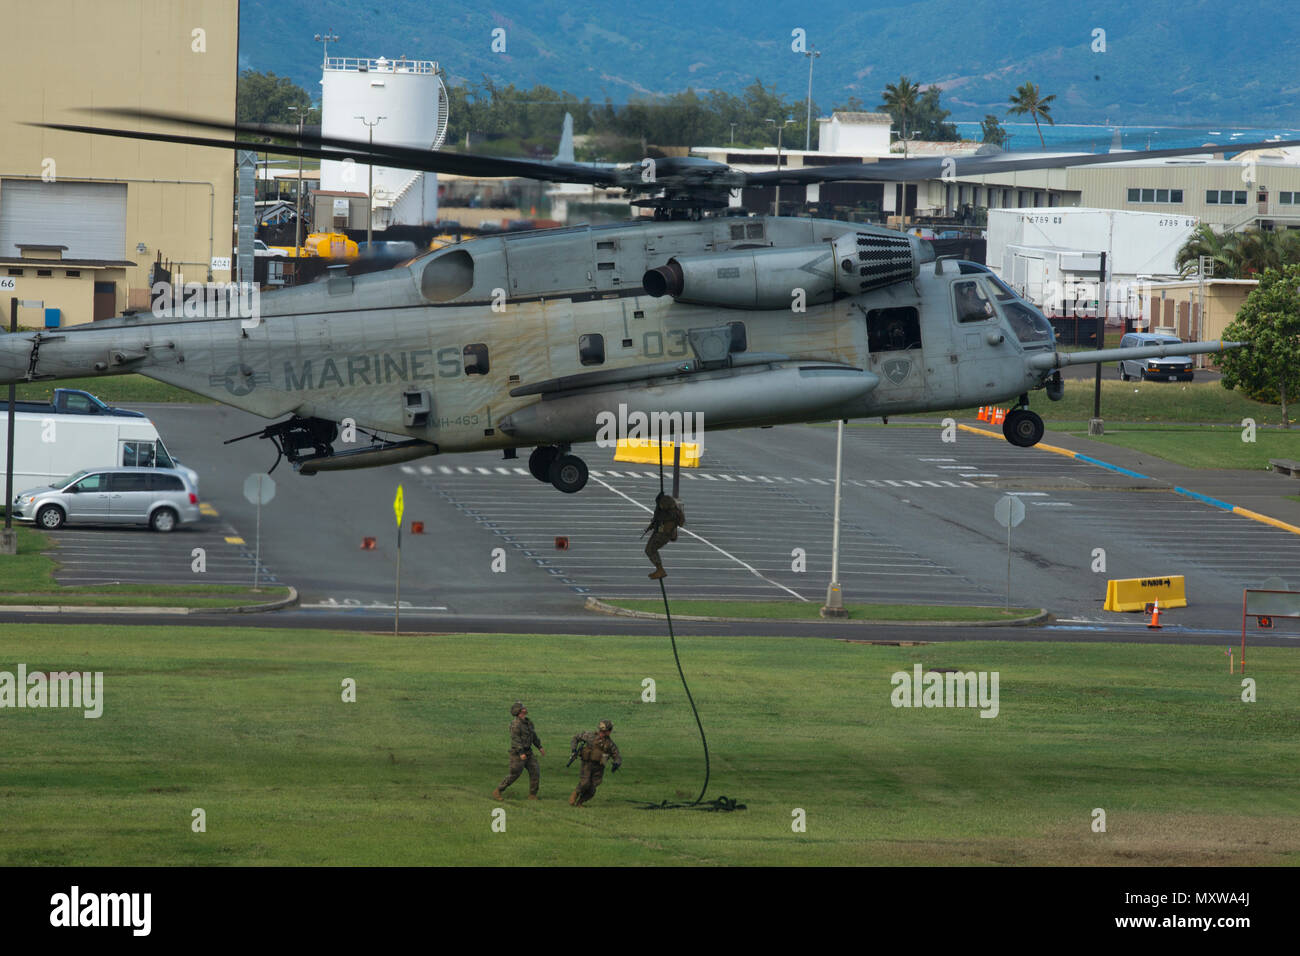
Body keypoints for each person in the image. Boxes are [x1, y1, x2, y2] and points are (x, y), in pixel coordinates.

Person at [493, 701, 545, 800]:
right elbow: (516, 739)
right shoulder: (515, 724)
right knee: (514, 774)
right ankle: (498, 791)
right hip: (517, 753)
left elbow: (533, 736)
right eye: (523, 708)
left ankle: (532, 795)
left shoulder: (528, 722)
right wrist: (521, 753)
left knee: (535, 771)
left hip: (528, 752)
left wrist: (540, 747)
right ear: (519, 711)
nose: (525, 708)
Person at [569, 719, 621, 807]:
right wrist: (574, 750)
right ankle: (576, 793)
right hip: (587, 764)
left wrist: (617, 763)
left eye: (606, 731)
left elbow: (617, 755)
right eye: (603, 731)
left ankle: (580, 802)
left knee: (592, 790)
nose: (604, 733)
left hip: (599, 768)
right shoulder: (590, 736)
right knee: (585, 783)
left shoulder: (610, 743)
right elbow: (575, 738)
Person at [642, 492, 685, 580]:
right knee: (650, 549)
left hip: (663, 534)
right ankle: (659, 570)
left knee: (650, 550)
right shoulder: (673, 511)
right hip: (663, 533)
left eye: (661, 504)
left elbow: (661, 518)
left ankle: (660, 570)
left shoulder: (669, 514)